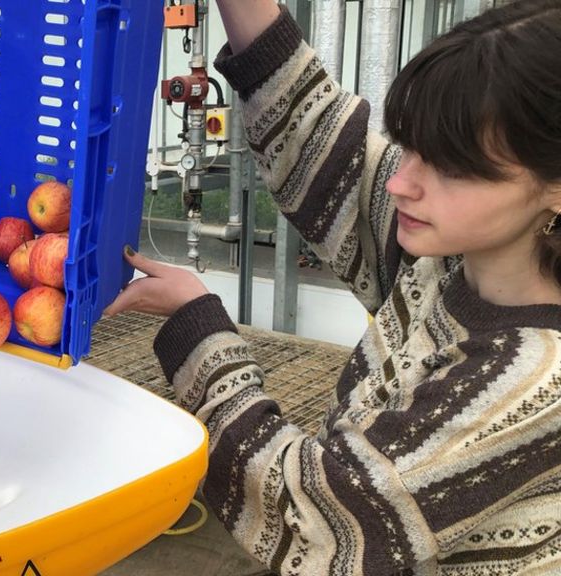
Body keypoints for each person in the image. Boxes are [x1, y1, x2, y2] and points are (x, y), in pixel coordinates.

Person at [106, 0, 561, 573]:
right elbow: (326, 148)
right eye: (410, 144)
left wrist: (198, 327)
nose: (401, 180)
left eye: (451, 166)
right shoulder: (452, 258)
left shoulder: (531, 382)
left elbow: (314, 518)